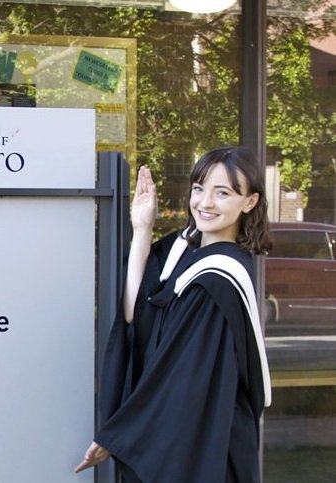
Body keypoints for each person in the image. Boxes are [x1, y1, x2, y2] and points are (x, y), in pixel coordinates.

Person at [75, 146, 273, 482]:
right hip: (189, 439)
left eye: (222, 193)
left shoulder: (219, 280)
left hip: (206, 444)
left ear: (249, 201)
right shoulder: (184, 250)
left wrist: (123, 432)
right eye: (199, 188)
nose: (205, 203)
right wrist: (142, 228)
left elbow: (179, 376)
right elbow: (137, 318)